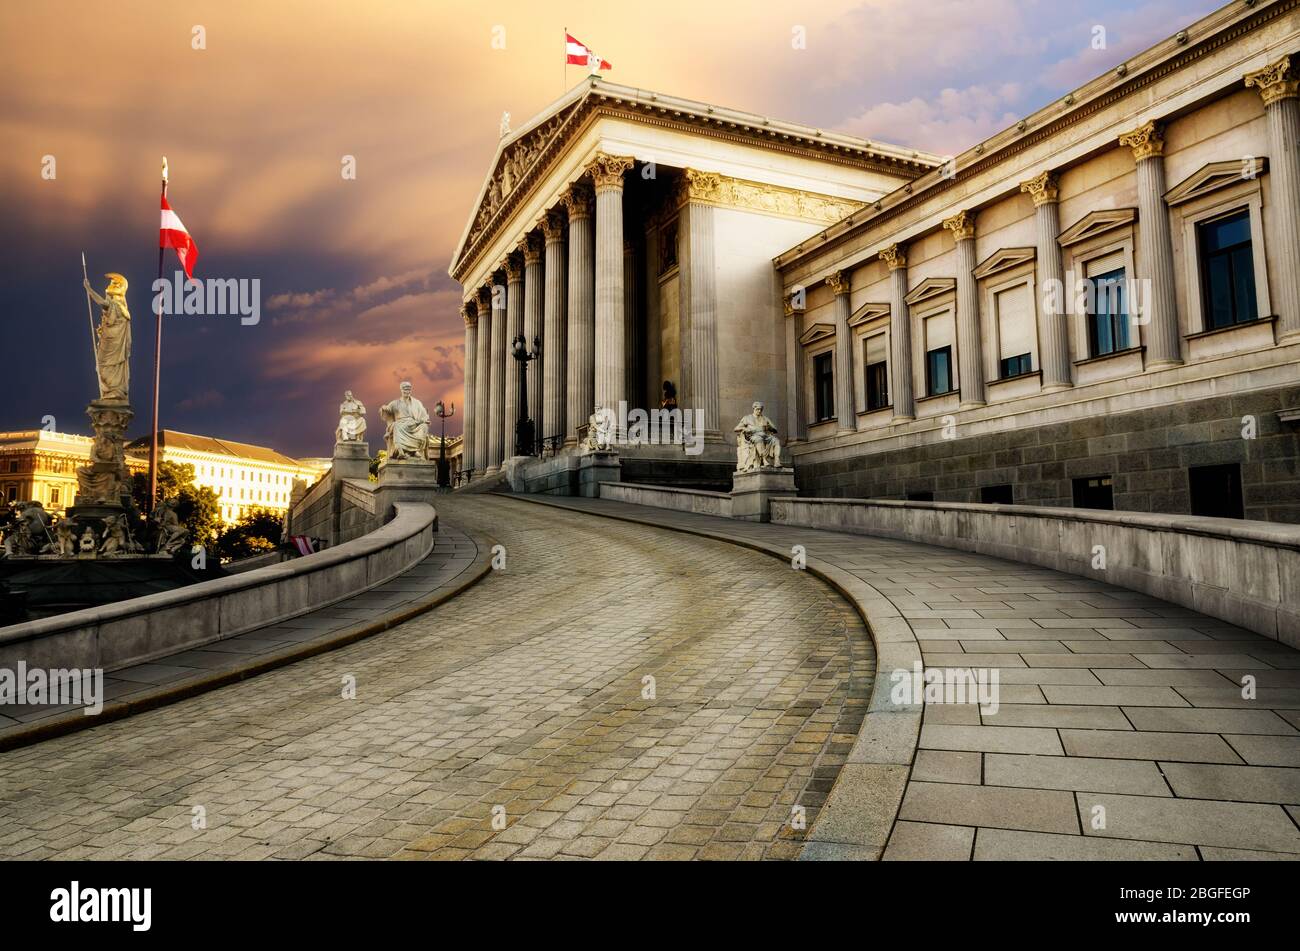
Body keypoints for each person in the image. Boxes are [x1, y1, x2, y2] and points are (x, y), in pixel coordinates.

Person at [380, 381, 431, 459]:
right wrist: (383, 409)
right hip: (401, 423)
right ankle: (401, 451)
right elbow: (387, 411)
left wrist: (425, 419)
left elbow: (424, 414)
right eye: (405, 389)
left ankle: (414, 450)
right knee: (397, 426)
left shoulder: (417, 403)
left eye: (408, 389)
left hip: (414, 424)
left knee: (424, 426)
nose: (407, 391)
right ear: (401, 390)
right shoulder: (395, 403)